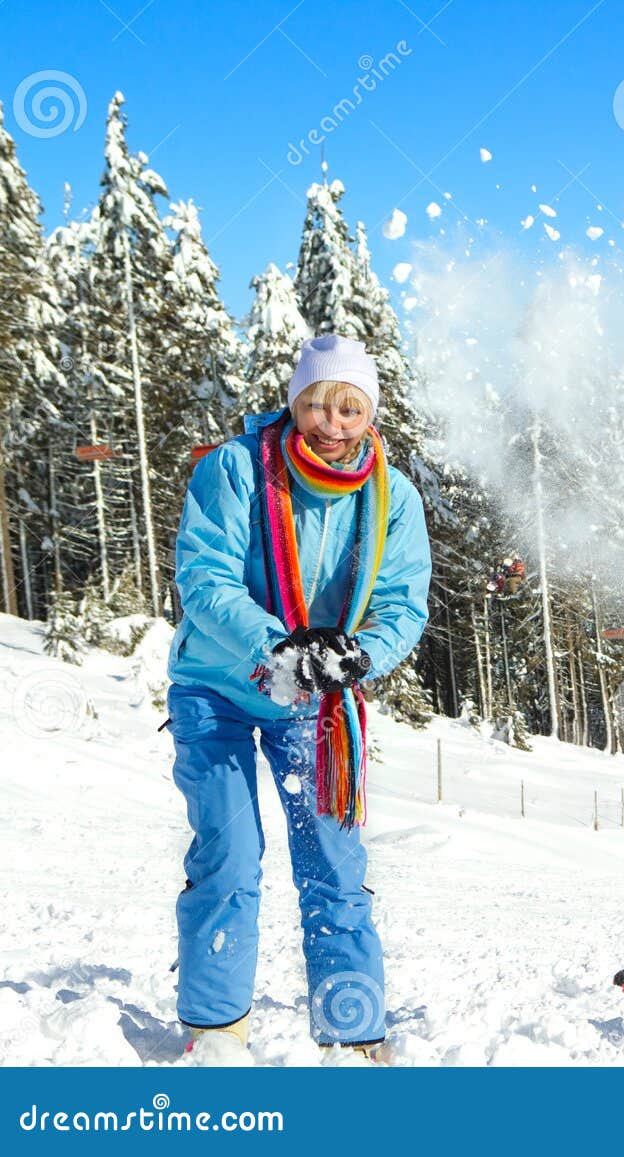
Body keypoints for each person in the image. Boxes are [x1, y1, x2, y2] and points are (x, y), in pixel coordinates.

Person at [166, 335, 432, 1061]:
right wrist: (279, 647)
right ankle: (215, 1030)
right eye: (317, 405)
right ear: (294, 404)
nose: (332, 423)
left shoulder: (392, 498)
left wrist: (358, 655)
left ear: (370, 414)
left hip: (315, 701)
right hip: (218, 686)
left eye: (349, 408)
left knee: (334, 864)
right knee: (230, 854)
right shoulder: (236, 469)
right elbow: (206, 579)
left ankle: (352, 1034)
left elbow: (403, 602)